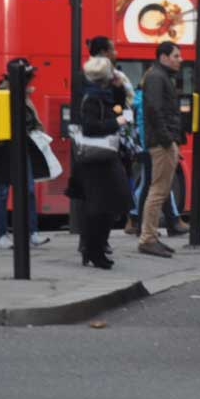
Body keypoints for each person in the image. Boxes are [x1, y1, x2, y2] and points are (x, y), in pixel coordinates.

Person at [68, 56, 134, 269]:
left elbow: (120, 104)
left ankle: (94, 249)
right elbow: (90, 127)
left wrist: (120, 88)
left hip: (107, 156)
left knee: (112, 204)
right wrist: (117, 121)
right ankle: (93, 250)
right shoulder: (91, 98)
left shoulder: (105, 94)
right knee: (99, 207)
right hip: (95, 160)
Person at [0, 66, 50, 250]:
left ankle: (33, 232)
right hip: (4, 151)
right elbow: (3, 127)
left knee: (28, 190)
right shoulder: (3, 94)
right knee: (3, 192)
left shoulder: (24, 96)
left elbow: (32, 121)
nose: (30, 83)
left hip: (23, 149)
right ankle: (2, 235)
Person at [137, 42, 184, 258]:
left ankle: (152, 236)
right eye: (176, 56)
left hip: (163, 140)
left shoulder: (159, 76)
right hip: (161, 142)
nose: (180, 59)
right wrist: (167, 140)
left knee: (161, 190)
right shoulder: (157, 77)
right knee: (158, 191)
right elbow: (154, 110)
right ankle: (147, 238)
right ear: (163, 57)